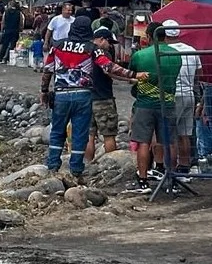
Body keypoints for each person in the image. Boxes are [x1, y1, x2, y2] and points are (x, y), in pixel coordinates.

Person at [40, 14, 97, 178]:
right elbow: (108, 67)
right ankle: (76, 169)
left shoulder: (57, 46)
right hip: (83, 95)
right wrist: (132, 75)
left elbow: (47, 70)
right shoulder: (92, 48)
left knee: (57, 131)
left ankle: (53, 166)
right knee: (80, 133)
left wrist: (44, 91)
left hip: (61, 95)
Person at [126, 24, 182, 190]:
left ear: (149, 37)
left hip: (144, 104)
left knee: (143, 142)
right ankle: (171, 178)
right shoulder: (176, 55)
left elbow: (131, 75)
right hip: (168, 103)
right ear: (165, 36)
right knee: (169, 142)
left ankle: (143, 181)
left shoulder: (140, 55)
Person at [86, 25, 138, 160]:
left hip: (86, 98)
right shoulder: (103, 54)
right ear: (101, 39)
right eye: (109, 42)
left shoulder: (85, 52)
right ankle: (110, 163)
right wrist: (130, 78)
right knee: (109, 135)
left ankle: (86, 164)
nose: (110, 46)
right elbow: (110, 72)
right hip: (103, 98)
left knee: (89, 135)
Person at [162, 20, 200, 173]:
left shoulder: (165, 51)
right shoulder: (191, 50)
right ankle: (184, 166)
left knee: (170, 134)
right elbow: (198, 74)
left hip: (173, 94)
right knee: (185, 134)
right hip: (189, 94)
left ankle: (170, 170)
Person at [0, 0, 22, 65]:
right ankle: (7, 58)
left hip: (7, 30)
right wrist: (20, 29)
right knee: (12, 45)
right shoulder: (19, 13)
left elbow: (3, 22)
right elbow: (21, 22)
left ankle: (0, 57)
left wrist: (2, 30)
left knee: (5, 44)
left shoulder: (6, 12)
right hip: (15, 31)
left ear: (10, 5)